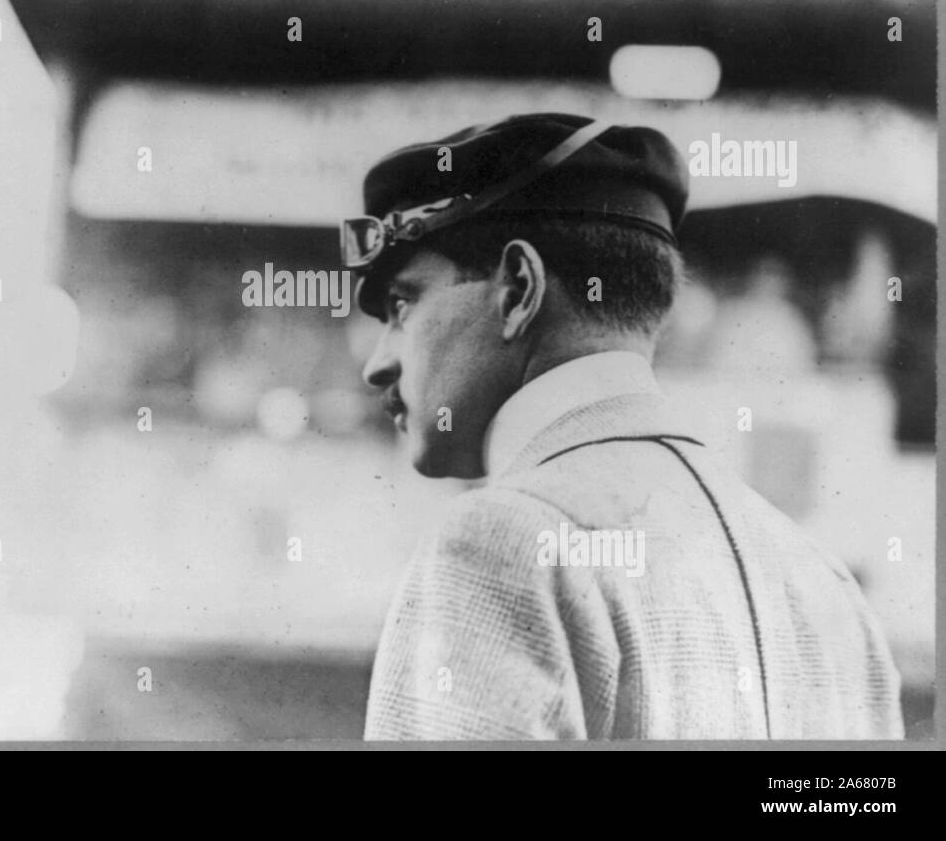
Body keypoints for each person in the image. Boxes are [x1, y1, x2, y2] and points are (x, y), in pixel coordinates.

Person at [340, 112, 903, 740]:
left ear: (518, 289)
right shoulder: (827, 587)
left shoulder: (499, 542)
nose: (376, 363)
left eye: (403, 303)